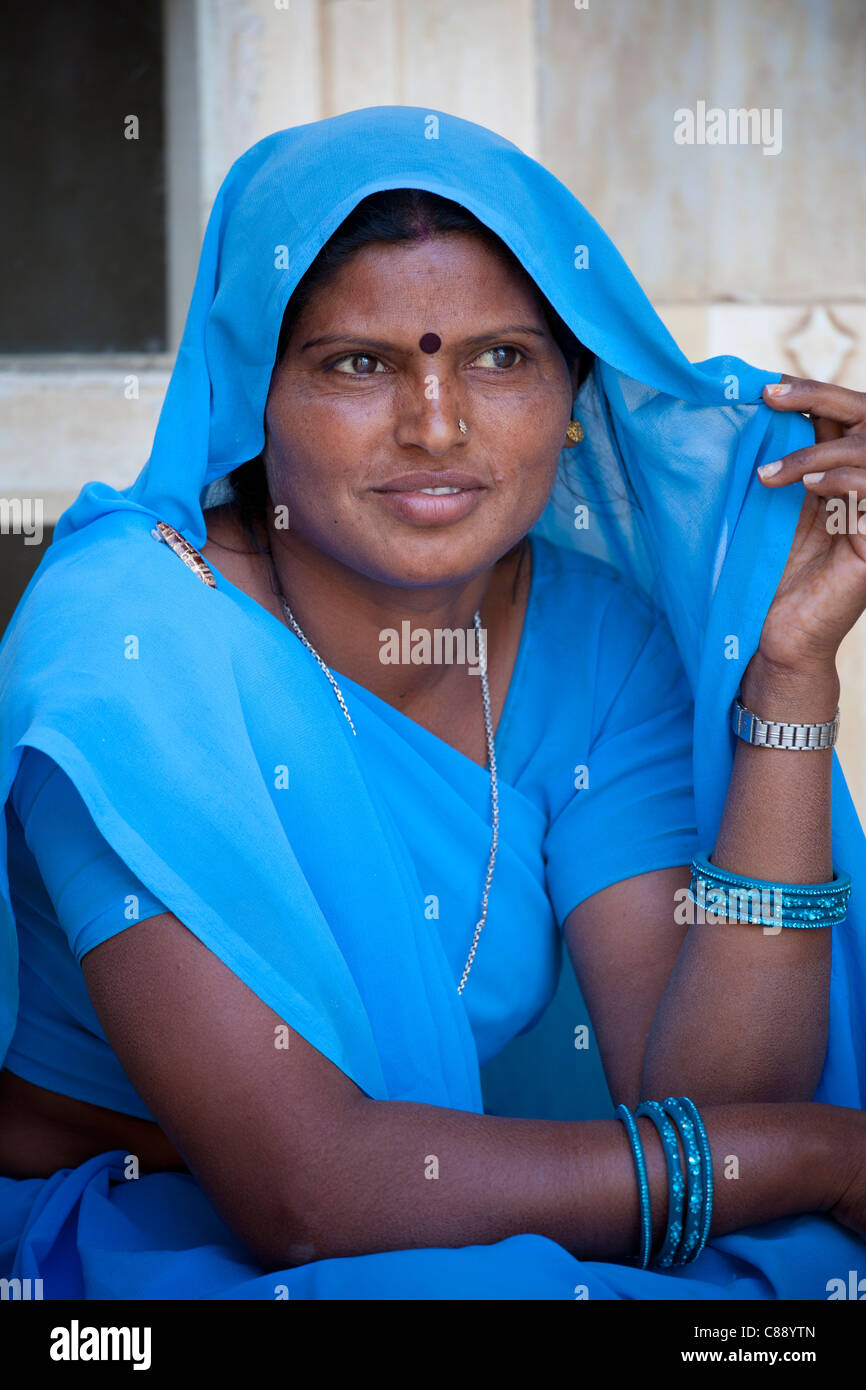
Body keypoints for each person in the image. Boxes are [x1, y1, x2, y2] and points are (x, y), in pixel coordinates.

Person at [1, 105, 865, 1301]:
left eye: (499, 357)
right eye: (360, 363)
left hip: (436, 1221)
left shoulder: (590, 638)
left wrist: (787, 679)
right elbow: (307, 1194)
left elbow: (715, 1116)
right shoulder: (132, 644)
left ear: (574, 390)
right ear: (253, 394)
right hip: (129, 1232)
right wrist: (828, 1155)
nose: (437, 423)